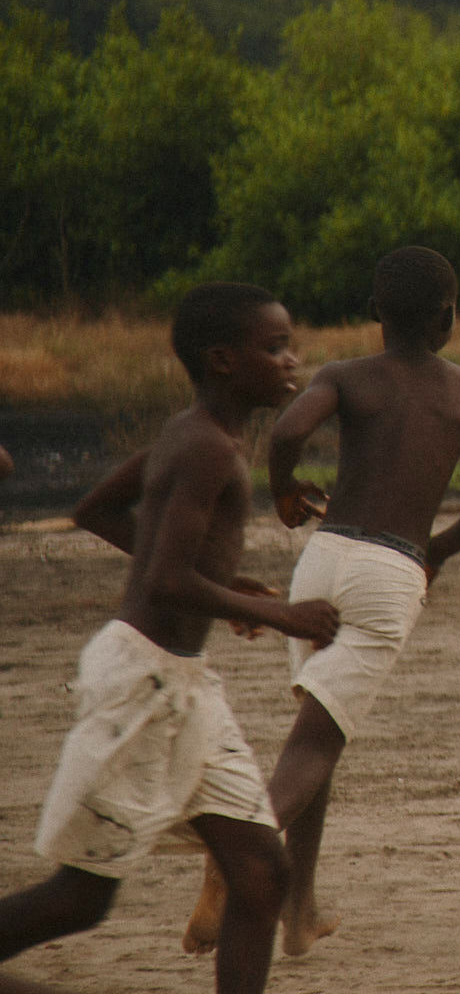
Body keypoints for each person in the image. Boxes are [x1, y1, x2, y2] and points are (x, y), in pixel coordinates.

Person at [0, 283, 340, 994]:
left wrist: (228, 583)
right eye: (275, 347)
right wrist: (283, 615)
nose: (291, 360)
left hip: (183, 684)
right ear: (223, 360)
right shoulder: (205, 448)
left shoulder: (190, 437)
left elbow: (97, 510)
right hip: (143, 684)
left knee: (260, 870)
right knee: (84, 897)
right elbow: (163, 582)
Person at [182, 247, 460, 958]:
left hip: (323, 561)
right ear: (449, 316)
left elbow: (291, 431)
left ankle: (298, 909)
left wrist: (283, 487)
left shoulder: (344, 376)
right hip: (390, 569)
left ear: (373, 313)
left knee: (318, 726)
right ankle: (232, 860)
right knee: (317, 741)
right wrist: (438, 551)